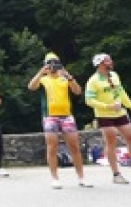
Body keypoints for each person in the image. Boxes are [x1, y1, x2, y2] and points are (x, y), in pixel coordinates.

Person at [85, 53, 131, 184]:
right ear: (100, 64)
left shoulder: (114, 76)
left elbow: (121, 92)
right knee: (111, 142)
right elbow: (89, 100)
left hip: (120, 113)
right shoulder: (93, 80)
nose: (110, 62)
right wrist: (108, 106)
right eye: (107, 61)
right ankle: (116, 174)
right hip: (104, 114)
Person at [28, 52, 92, 189]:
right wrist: (41, 72)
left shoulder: (64, 78)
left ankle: (81, 177)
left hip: (66, 115)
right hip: (50, 116)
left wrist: (68, 76)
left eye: (55, 62)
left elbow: (77, 91)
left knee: (74, 146)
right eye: (50, 63)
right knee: (52, 147)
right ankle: (55, 178)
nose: (53, 65)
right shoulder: (43, 79)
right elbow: (31, 87)